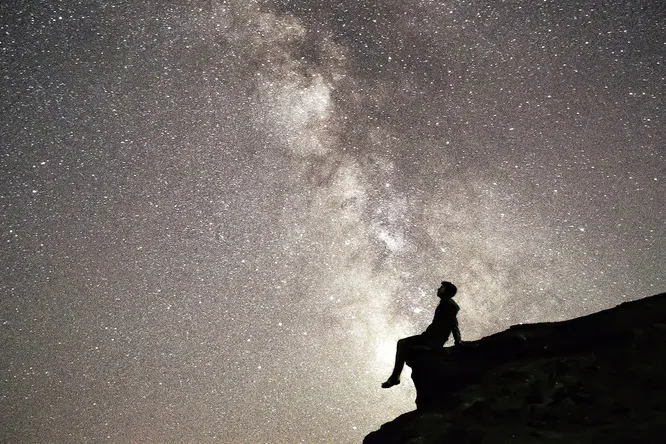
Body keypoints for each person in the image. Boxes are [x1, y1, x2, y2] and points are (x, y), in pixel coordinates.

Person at [381, 281, 462, 388]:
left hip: (433, 339)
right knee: (403, 344)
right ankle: (395, 377)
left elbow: (454, 324)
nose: (438, 289)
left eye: (441, 287)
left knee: (403, 343)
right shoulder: (445, 303)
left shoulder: (448, 305)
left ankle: (395, 377)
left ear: (446, 291)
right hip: (429, 336)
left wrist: (458, 342)